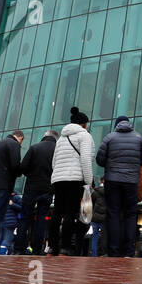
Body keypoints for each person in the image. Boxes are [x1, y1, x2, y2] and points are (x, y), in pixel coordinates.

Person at [95, 115, 142, 257]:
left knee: (113, 214)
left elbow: (99, 159)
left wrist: (111, 164)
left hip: (112, 181)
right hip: (131, 181)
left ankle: (114, 250)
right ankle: (129, 251)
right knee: (130, 215)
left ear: (116, 125)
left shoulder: (109, 138)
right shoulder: (139, 138)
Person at [50, 108, 94, 257]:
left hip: (58, 179)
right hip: (75, 180)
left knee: (57, 213)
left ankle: (52, 247)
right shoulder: (85, 136)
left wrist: (57, 176)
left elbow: (54, 162)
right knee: (70, 212)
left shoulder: (61, 138)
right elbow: (86, 160)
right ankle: (65, 247)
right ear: (84, 124)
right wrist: (88, 182)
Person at [17, 130, 57, 255]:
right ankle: (37, 249)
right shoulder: (58, 150)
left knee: (25, 219)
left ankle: (19, 249)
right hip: (48, 189)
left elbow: (23, 167)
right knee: (41, 220)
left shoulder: (34, 147)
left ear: (45, 136)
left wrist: (32, 175)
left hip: (31, 188)